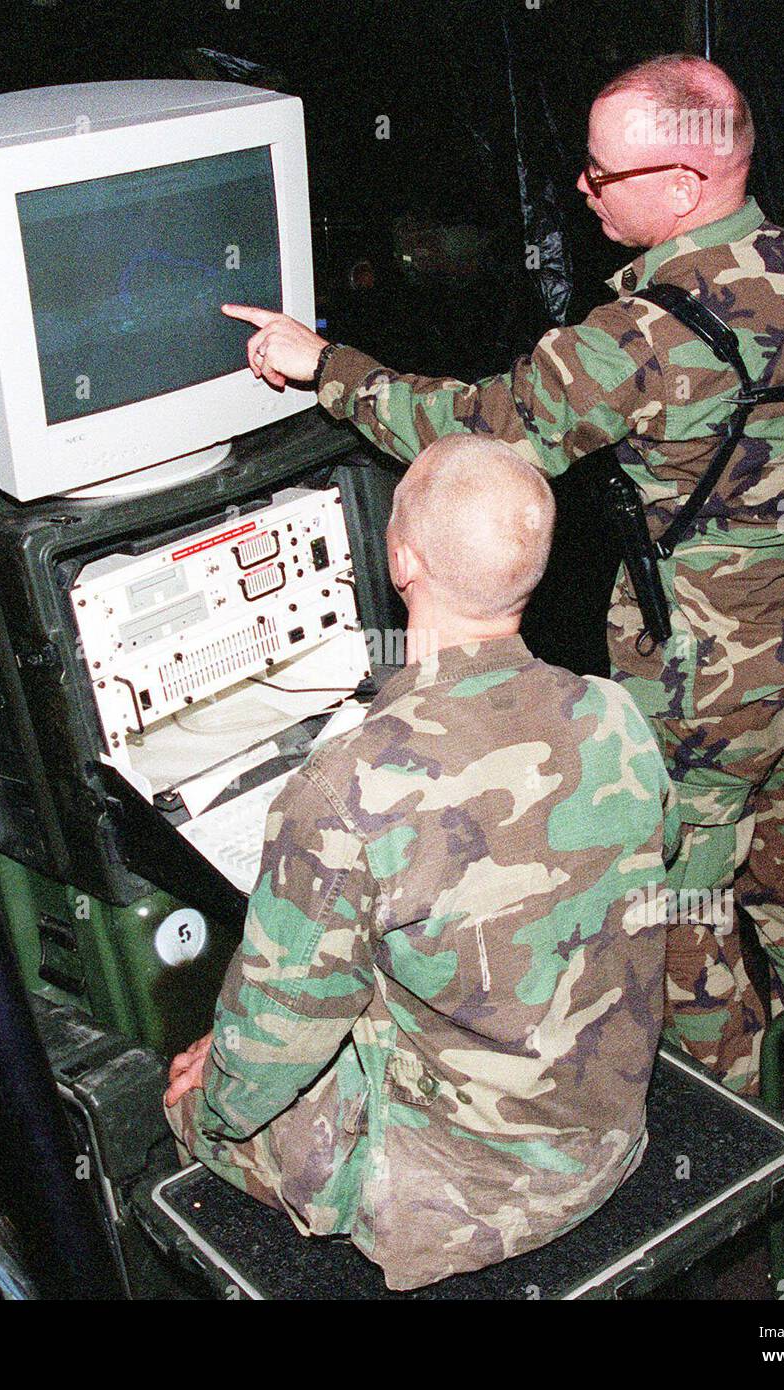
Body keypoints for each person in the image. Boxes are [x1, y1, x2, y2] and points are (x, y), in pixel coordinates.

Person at [221, 53, 784, 1095]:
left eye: (602, 176)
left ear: (685, 183)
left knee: (682, 905)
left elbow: (477, 429)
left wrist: (324, 368)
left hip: (703, 674)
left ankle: (745, 1128)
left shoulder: (642, 335)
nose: (581, 188)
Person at [166, 434, 678, 1291]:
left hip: (461, 1202)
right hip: (609, 1134)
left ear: (401, 561)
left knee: (194, 1096)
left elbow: (272, 1045)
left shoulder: (342, 791)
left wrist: (209, 1097)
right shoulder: (617, 713)